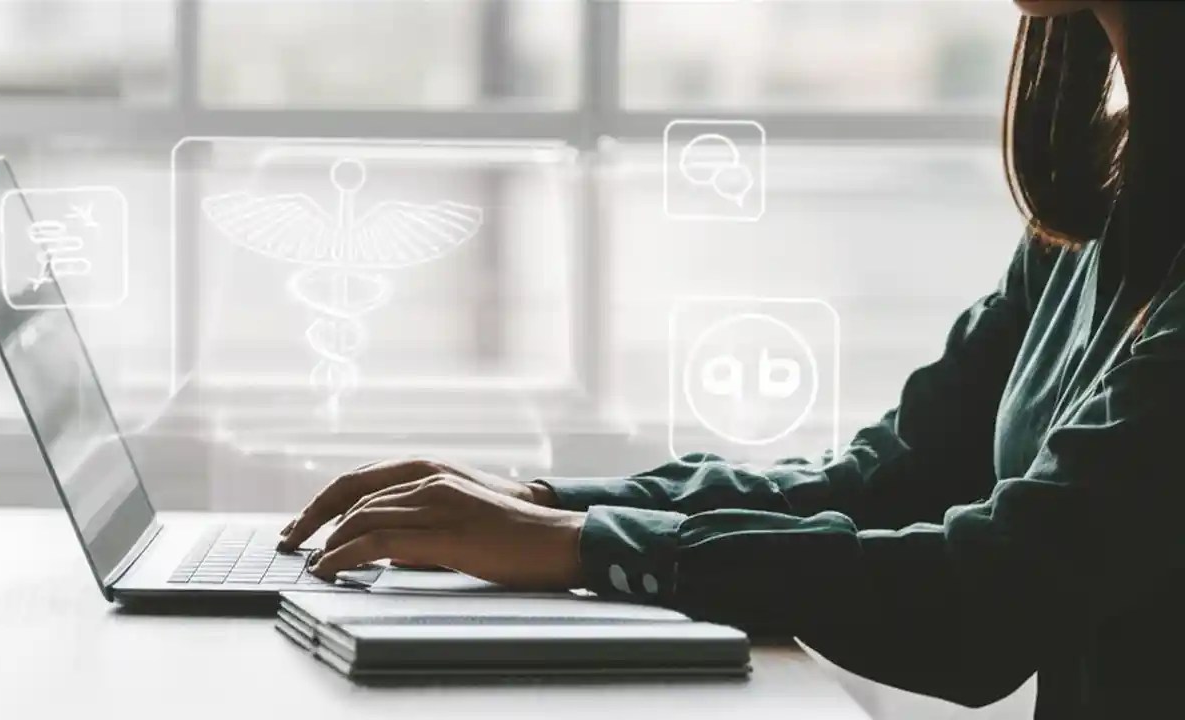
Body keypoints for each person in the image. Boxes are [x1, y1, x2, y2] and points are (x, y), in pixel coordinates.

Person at [277, 2, 1185, 717]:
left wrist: (586, 548)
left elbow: (988, 602)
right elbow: (881, 482)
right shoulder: (1101, 189)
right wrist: (544, 506)